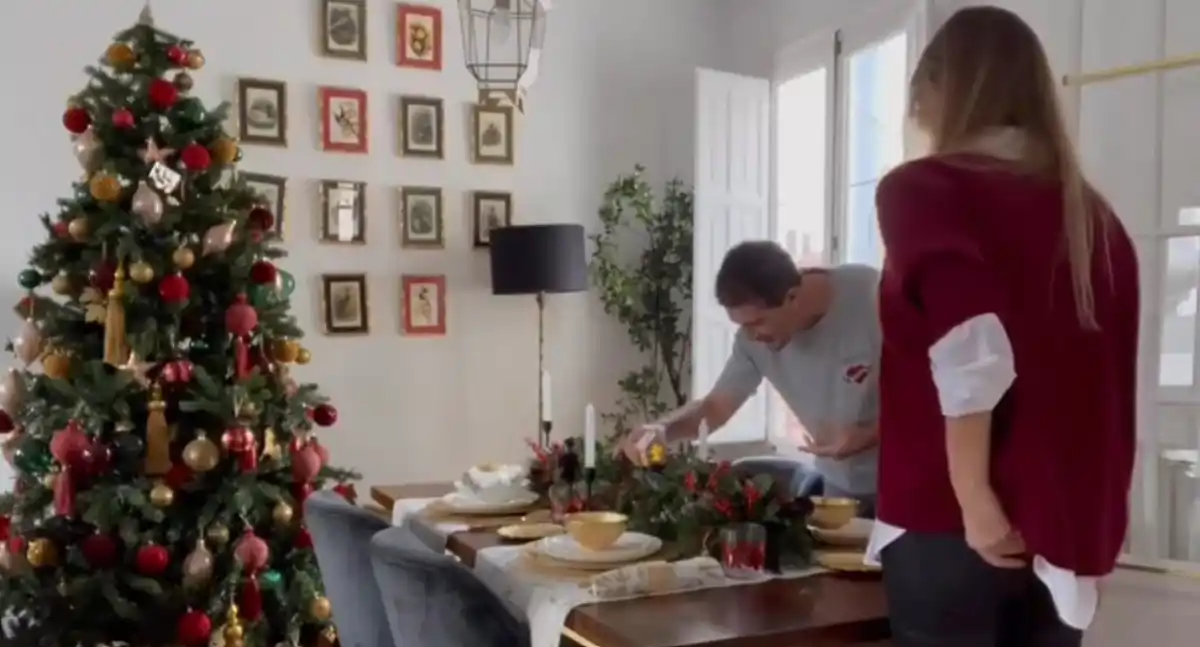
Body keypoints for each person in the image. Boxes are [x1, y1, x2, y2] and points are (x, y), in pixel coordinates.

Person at [868, 6, 1139, 647]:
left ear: (941, 89)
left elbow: (972, 343)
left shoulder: (925, 189)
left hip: (953, 521)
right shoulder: (1092, 215)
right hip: (1062, 528)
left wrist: (975, 497)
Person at [619, 240, 881, 513]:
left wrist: (870, 435)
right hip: (839, 486)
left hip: (910, 478)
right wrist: (664, 429)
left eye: (758, 322)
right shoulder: (751, 340)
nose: (753, 335)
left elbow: (929, 390)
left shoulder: (869, 294)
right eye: (742, 325)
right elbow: (716, 407)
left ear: (792, 297)